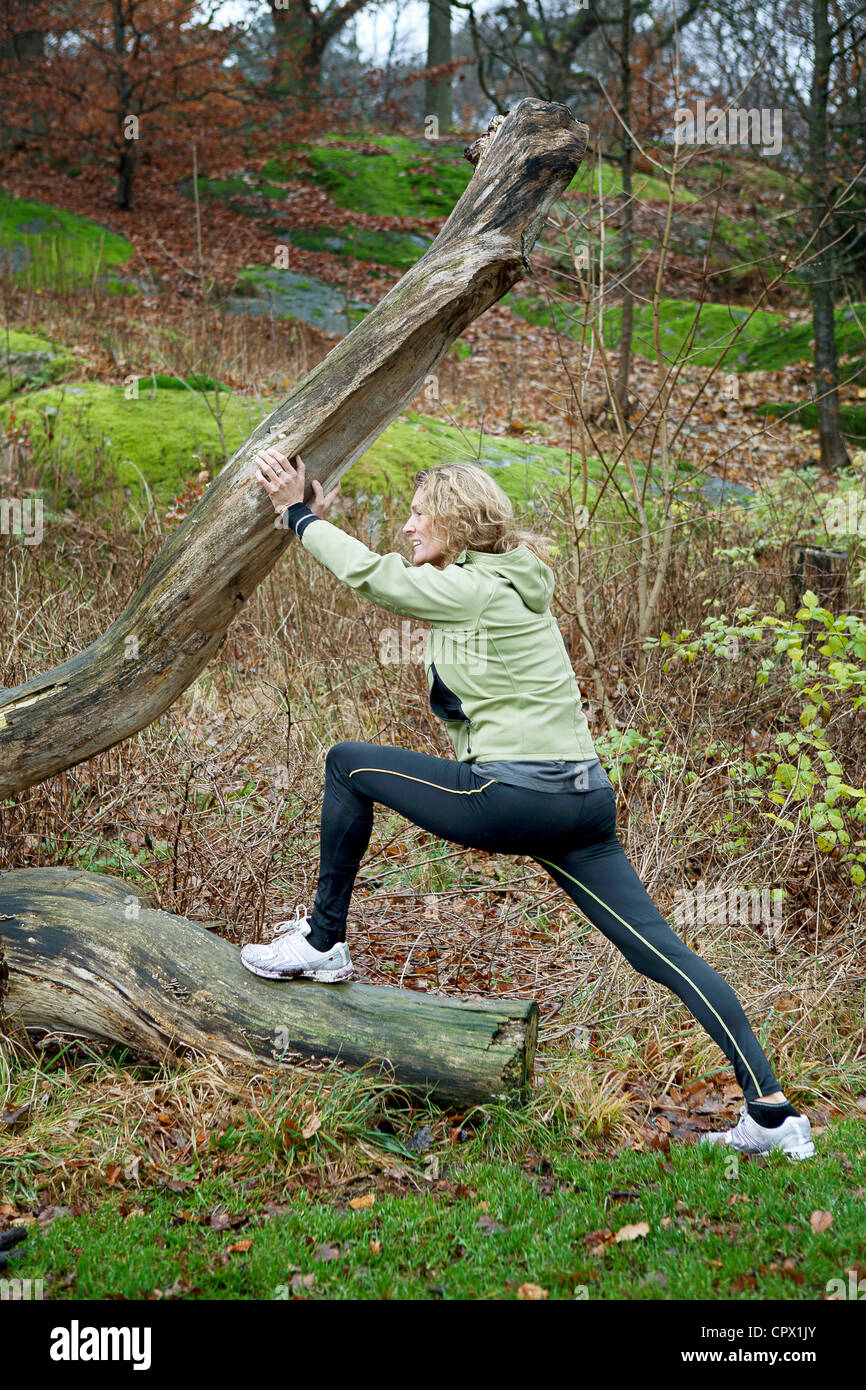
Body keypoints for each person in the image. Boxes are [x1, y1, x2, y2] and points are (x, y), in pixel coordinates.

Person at [245, 447, 815, 1162]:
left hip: (511, 796)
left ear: (453, 522)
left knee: (346, 763)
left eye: (419, 514)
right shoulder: (506, 582)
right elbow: (405, 582)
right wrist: (324, 521)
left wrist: (297, 516)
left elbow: (374, 578)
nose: (407, 526)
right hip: (582, 802)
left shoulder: (476, 588)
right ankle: (773, 1112)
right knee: (661, 952)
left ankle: (324, 942)